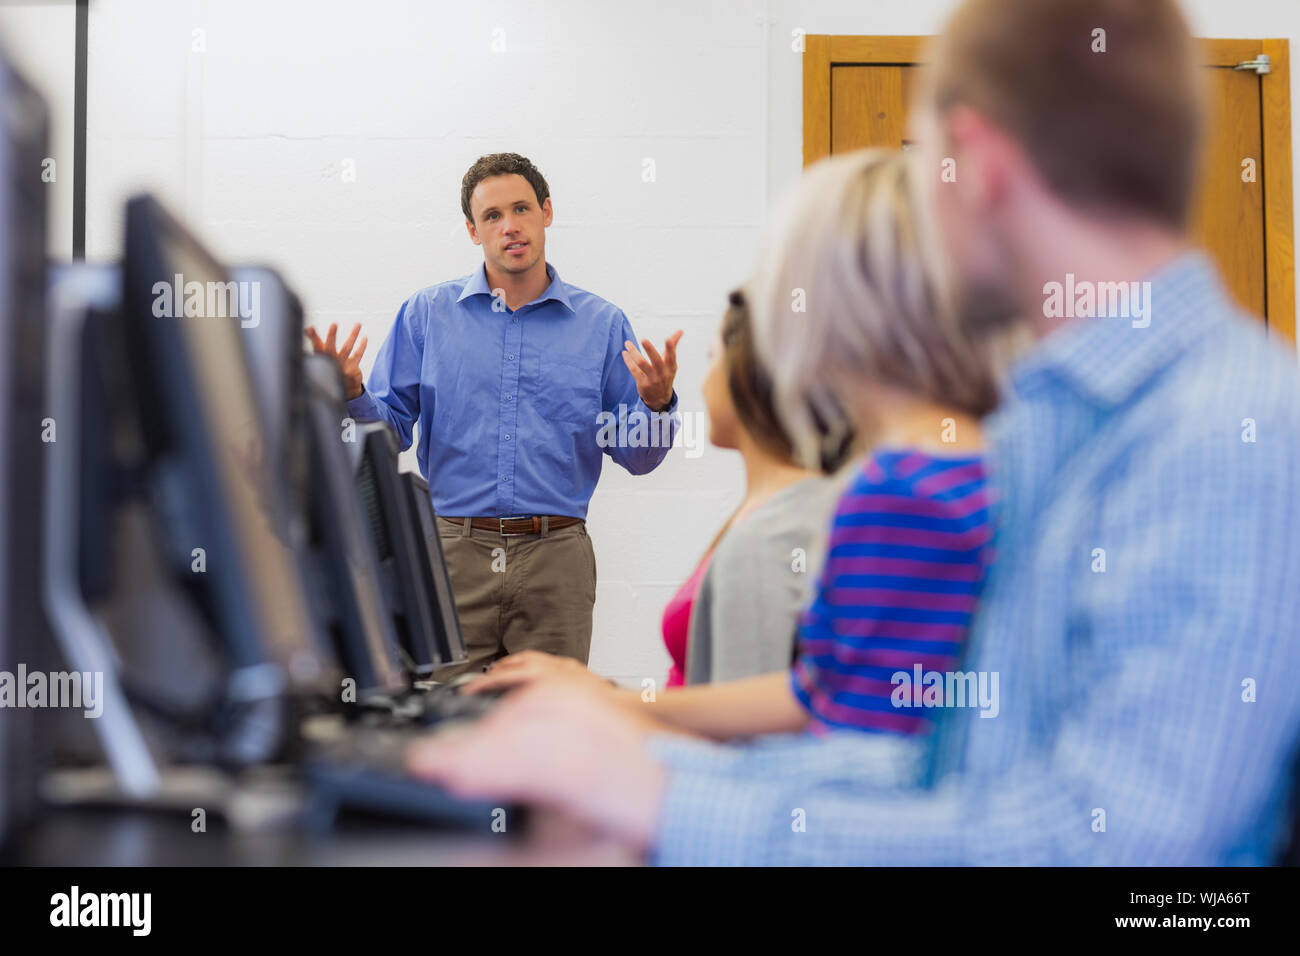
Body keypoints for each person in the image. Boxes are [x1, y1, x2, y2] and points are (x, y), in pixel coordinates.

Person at [409, 0, 1300, 865]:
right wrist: (627, 745)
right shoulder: (1053, 420)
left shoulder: (1220, 430)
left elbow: (1115, 846)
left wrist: (663, 798)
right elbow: (940, 768)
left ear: (981, 165)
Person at [470, 151, 1005, 752]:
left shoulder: (900, 497)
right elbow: (817, 697)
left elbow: (803, 752)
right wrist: (609, 703)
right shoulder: (897, 481)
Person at [306, 153, 682, 679]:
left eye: (522, 208)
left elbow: (638, 458)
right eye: (492, 216)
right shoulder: (426, 316)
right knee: (442, 728)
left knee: (552, 730)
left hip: (557, 559)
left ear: (546, 212)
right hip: (452, 556)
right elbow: (387, 435)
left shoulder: (602, 325)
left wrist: (657, 404)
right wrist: (349, 394)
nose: (510, 227)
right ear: (472, 229)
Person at [472, 288, 839, 695]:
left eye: (712, 359)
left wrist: (603, 700)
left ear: (750, 384)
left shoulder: (771, 535)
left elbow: (742, 720)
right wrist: (598, 694)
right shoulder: (760, 514)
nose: (702, 379)